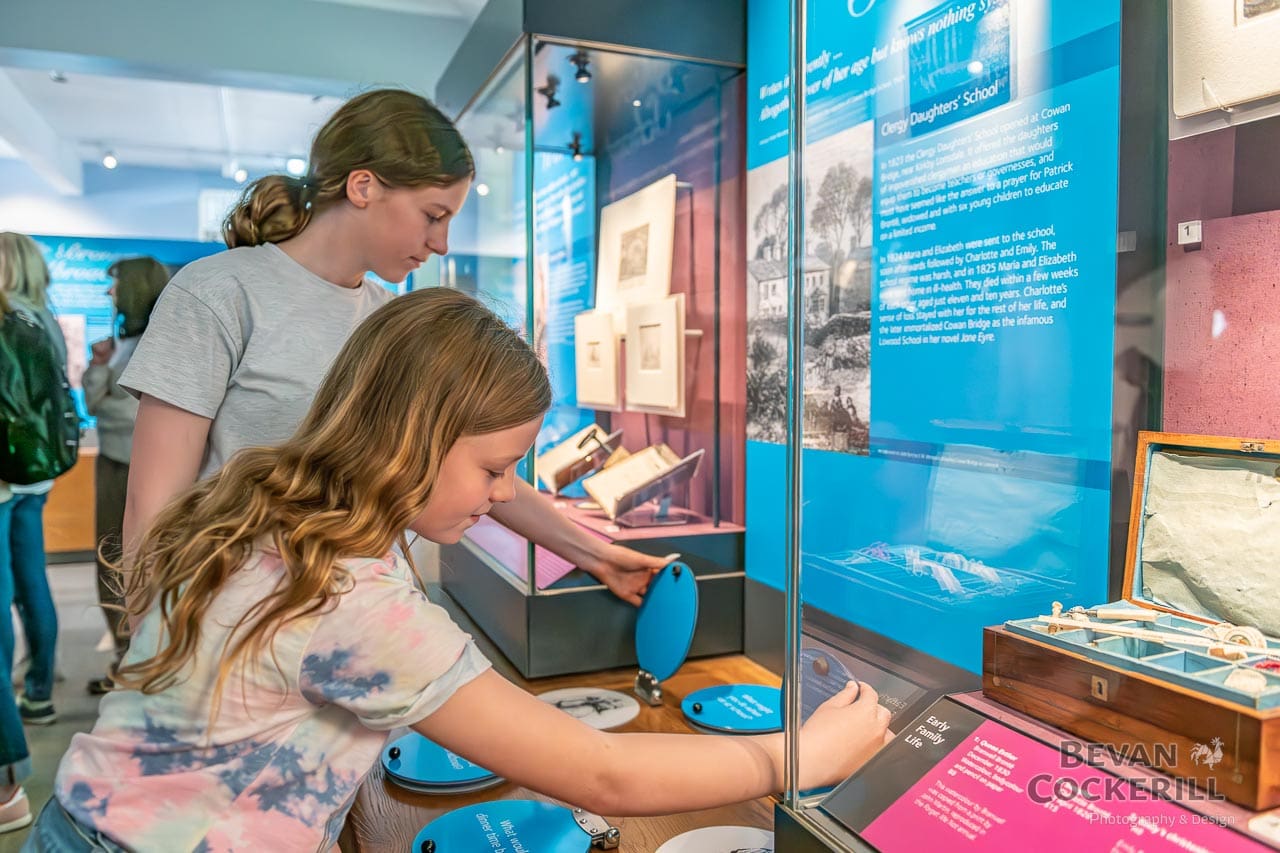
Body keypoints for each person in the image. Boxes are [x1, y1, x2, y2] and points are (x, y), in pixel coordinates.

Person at [28, 289, 892, 850]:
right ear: (412, 438)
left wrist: (587, 551)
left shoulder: (268, 506)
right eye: (492, 467)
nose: (502, 493)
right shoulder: (353, 600)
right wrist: (799, 754)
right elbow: (604, 775)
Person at [119, 87, 665, 611]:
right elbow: (154, 505)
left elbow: (480, 468)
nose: (442, 243)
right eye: (433, 215)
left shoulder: (394, 319)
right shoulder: (219, 292)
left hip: (369, 611)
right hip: (243, 613)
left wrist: (597, 555)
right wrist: (154, 644)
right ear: (363, 187)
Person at [0, 232, 72, 834]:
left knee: (13, 591)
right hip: (35, 469)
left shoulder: (11, 320)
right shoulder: (41, 317)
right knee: (30, 582)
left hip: (12, 473)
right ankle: (40, 689)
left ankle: (34, 692)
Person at [82, 256, 171, 694]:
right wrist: (99, 371)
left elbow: (118, 411)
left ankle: (132, 663)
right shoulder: (132, 340)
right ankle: (128, 659)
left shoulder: (155, 341)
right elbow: (105, 403)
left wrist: (99, 382)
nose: (108, 293)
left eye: (114, 285)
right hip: (120, 461)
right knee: (117, 561)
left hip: (128, 464)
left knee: (122, 559)